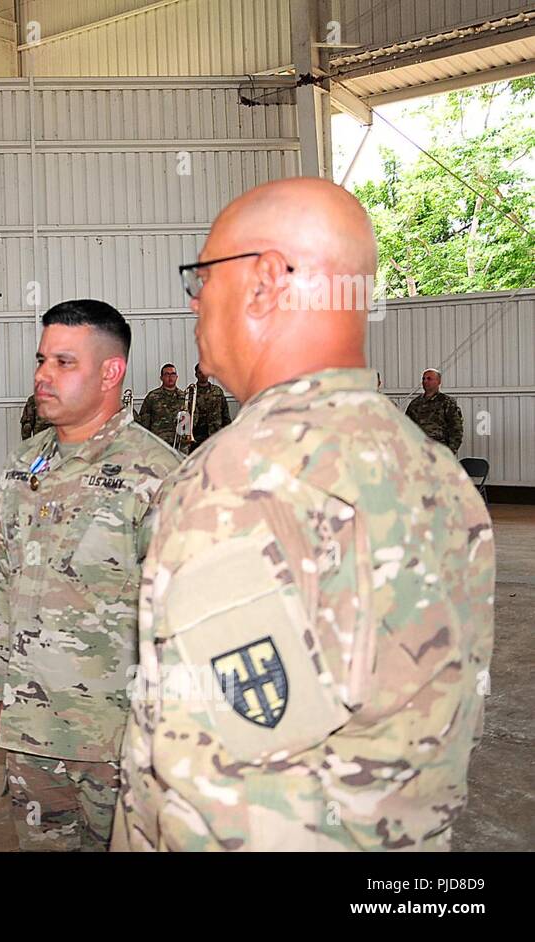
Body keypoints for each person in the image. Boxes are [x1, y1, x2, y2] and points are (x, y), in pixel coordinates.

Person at [114, 177, 494, 851]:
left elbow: (220, 802)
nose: (196, 302)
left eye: (201, 277)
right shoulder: (434, 472)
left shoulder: (239, 480)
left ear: (264, 283)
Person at [0, 299, 181, 851]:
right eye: (42, 360)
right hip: (32, 728)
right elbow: (3, 580)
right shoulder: (23, 466)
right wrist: (0, 685)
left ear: (111, 372)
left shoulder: (157, 476)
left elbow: (182, 621)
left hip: (116, 736)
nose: (43, 375)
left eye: (64, 363)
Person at [405, 369, 464, 454]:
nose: (425, 381)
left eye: (429, 379)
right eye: (423, 379)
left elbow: (456, 429)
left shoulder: (447, 402)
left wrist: (450, 451)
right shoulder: (415, 404)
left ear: (438, 381)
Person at [136, 363, 184, 447]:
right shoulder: (152, 396)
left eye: (173, 374)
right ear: (161, 377)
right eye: (167, 374)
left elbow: (193, 416)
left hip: (179, 443)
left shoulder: (184, 397)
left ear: (176, 377)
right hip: (158, 443)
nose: (170, 377)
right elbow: (144, 420)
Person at [186, 362, 231, 450]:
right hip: (197, 436)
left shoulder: (217, 391)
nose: (203, 375)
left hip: (216, 434)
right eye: (200, 372)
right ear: (196, 374)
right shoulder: (190, 392)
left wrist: (228, 431)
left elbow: (225, 413)